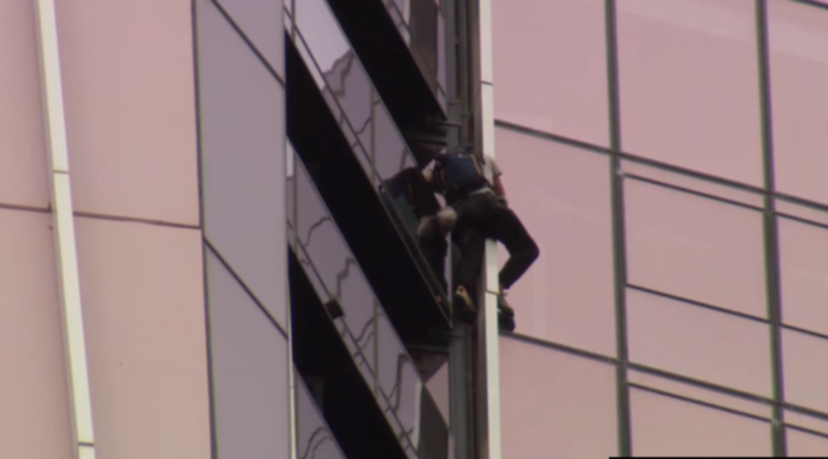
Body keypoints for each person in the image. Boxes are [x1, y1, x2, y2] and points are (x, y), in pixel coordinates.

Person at [428, 144, 539, 331]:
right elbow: (501, 195)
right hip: (484, 203)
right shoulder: (485, 158)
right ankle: (499, 286)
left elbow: (425, 180)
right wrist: (502, 214)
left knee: (474, 247)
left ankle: (463, 290)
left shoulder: (441, 170)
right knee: (527, 249)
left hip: (459, 215)